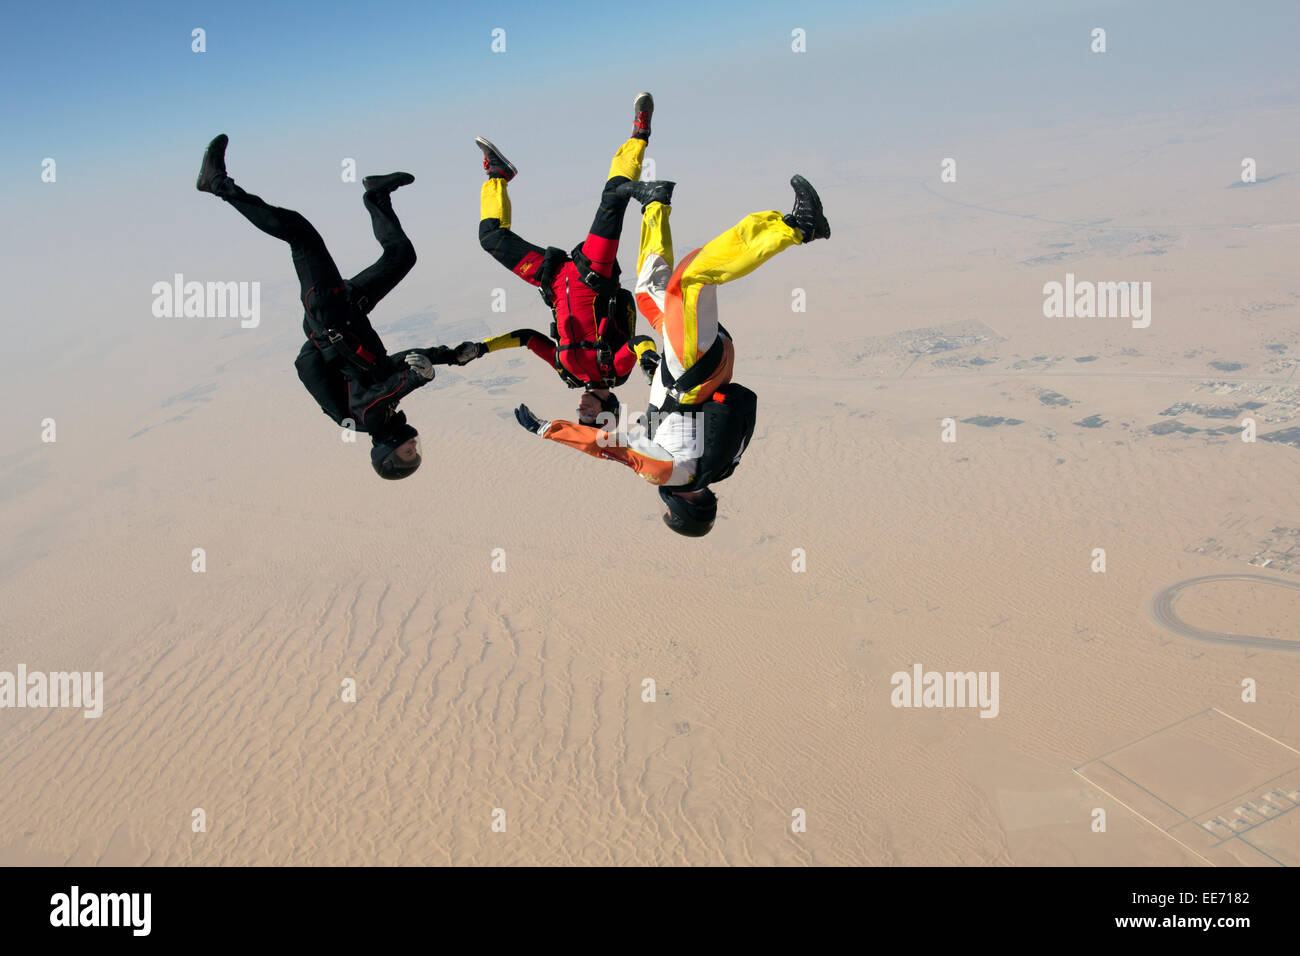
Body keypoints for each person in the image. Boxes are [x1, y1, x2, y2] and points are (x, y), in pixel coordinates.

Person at [512, 174, 831, 535]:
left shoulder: (709, 467)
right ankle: (798, 228)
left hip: (700, 363)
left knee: (650, 291)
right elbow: (607, 449)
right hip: (690, 366)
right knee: (692, 279)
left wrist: (642, 373)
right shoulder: (667, 472)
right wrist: (547, 430)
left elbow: (627, 435)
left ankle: (655, 203)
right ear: (677, 506)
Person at [195, 134, 482, 479]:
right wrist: (450, 355)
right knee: (401, 256)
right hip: (348, 314)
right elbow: (400, 364)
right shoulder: (385, 411)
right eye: (416, 451)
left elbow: (387, 390)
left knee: (301, 234)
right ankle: (376, 196)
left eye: (408, 452)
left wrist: (417, 379)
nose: (414, 445)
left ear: (387, 452)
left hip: (330, 315)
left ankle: (217, 184)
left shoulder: (370, 418)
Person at [471, 93, 662, 426]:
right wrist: (649, 363)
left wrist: (483, 348)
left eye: (579, 414)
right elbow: (639, 342)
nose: (580, 409)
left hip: (553, 277)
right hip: (593, 272)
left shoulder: (568, 374)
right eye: (588, 414)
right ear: (608, 409)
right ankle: (639, 135)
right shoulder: (613, 371)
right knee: (614, 200)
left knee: (491, 239)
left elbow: (529, 339)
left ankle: (497, 175)